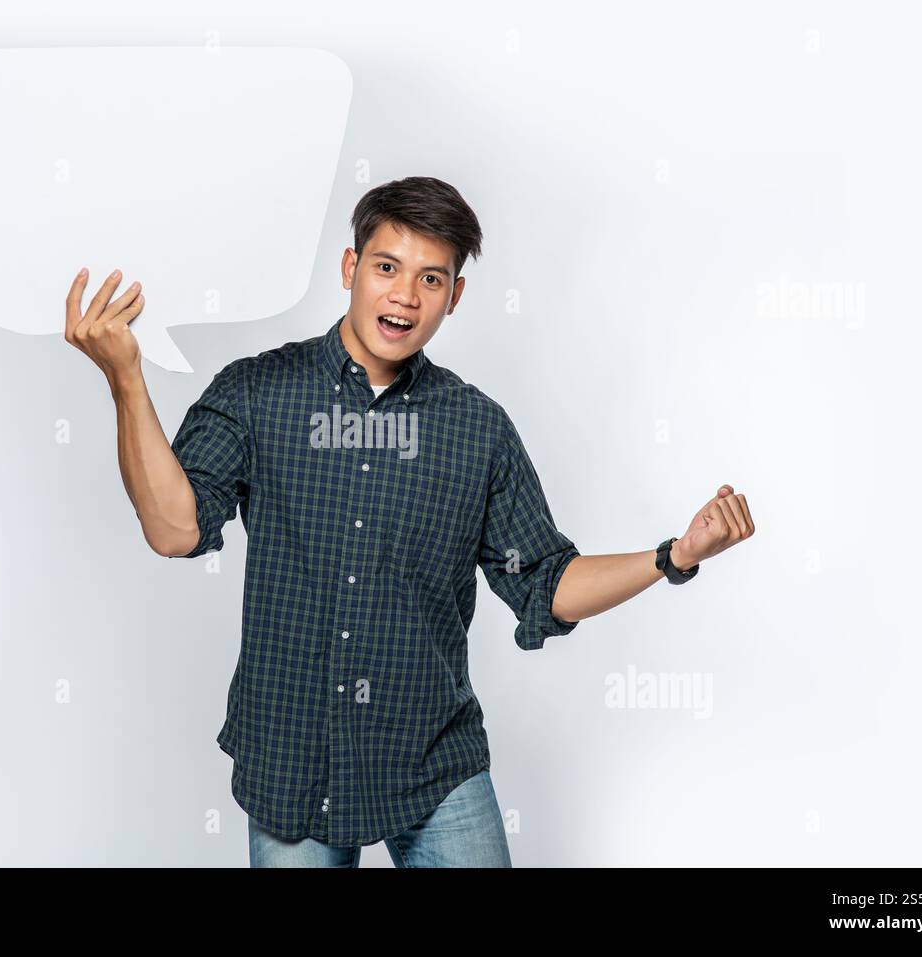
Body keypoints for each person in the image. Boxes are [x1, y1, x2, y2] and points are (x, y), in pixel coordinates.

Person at [64, 176, 755, 867]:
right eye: (387, 267)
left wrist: (674, 555)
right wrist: (126, 379)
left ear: (454, 296)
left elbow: (547, 582)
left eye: (432, 279)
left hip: (432, 761)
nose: (404, 295)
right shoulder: (256, 391)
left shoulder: (477, 429)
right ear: (350, 268)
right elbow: (173, 528)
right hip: (293, 761)